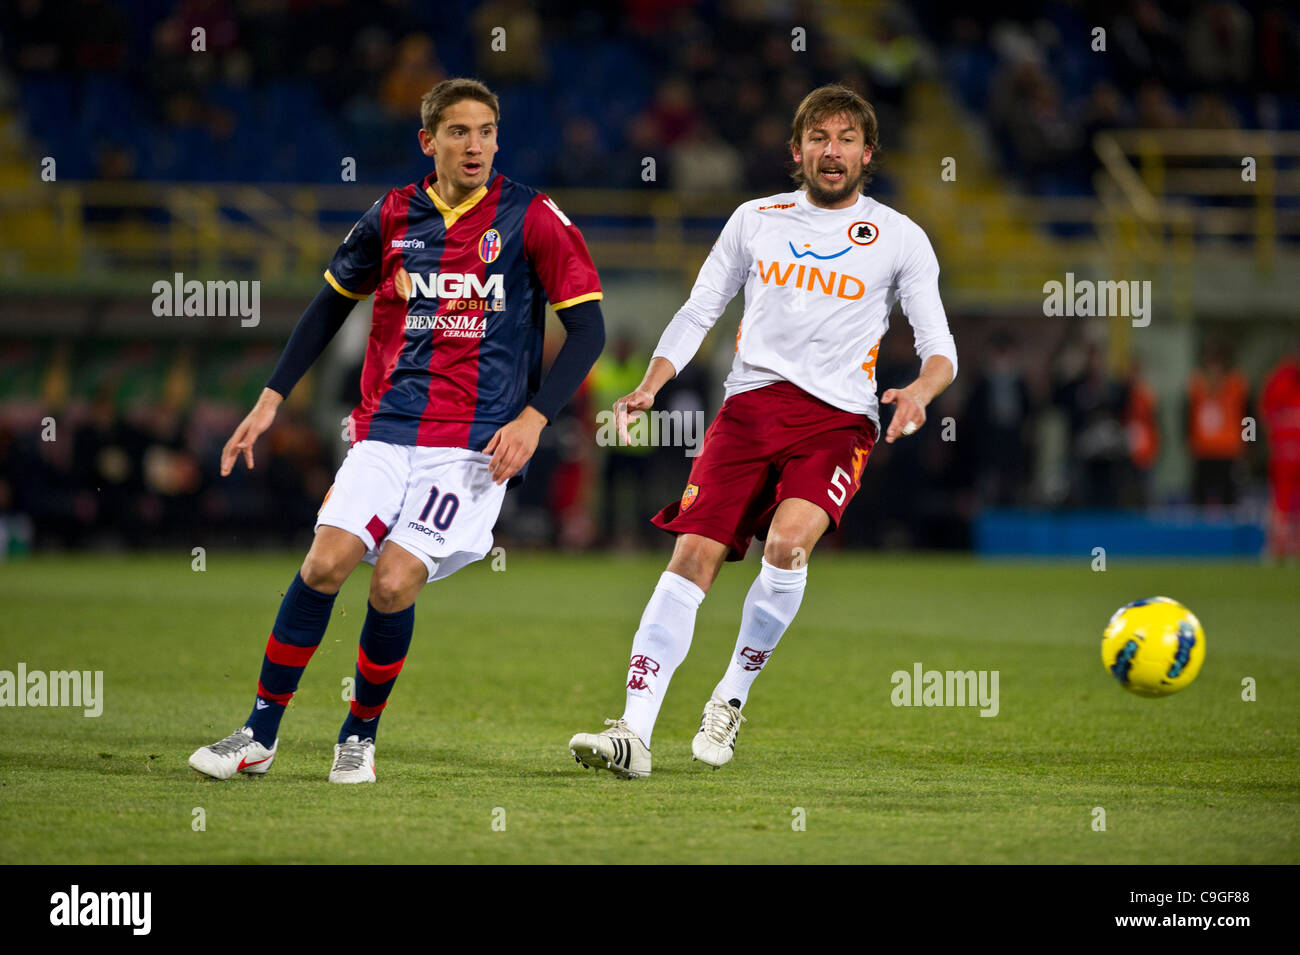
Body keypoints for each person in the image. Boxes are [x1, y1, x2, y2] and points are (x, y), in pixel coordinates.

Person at [189, 77, 605, 783]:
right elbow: (327, 307)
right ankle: (258, 734)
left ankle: (359, 734)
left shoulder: (531, 217)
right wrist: (270, 399)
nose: (474, 146)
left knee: (392, 582)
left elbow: (589, 329)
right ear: (429, 141)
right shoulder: (392, 215)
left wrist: (535, 418)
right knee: (323, 564)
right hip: (385, 433)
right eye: (458, 132)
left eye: (485, 132)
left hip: (472, 451)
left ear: (497, 139)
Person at [568, 84, 957, 777]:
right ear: (796, 151)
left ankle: (731, 695)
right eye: (818, 138)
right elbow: (699, 310)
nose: (830, 152)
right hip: (746, 411)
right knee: (691, 558)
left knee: (786, 544)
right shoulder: (755, 220)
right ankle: (633, 730)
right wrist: (652, 383)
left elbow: (940, 347)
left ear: (868, 154)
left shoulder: (900, 235)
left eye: (845, 140)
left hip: (837, 421)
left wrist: (922, 393)